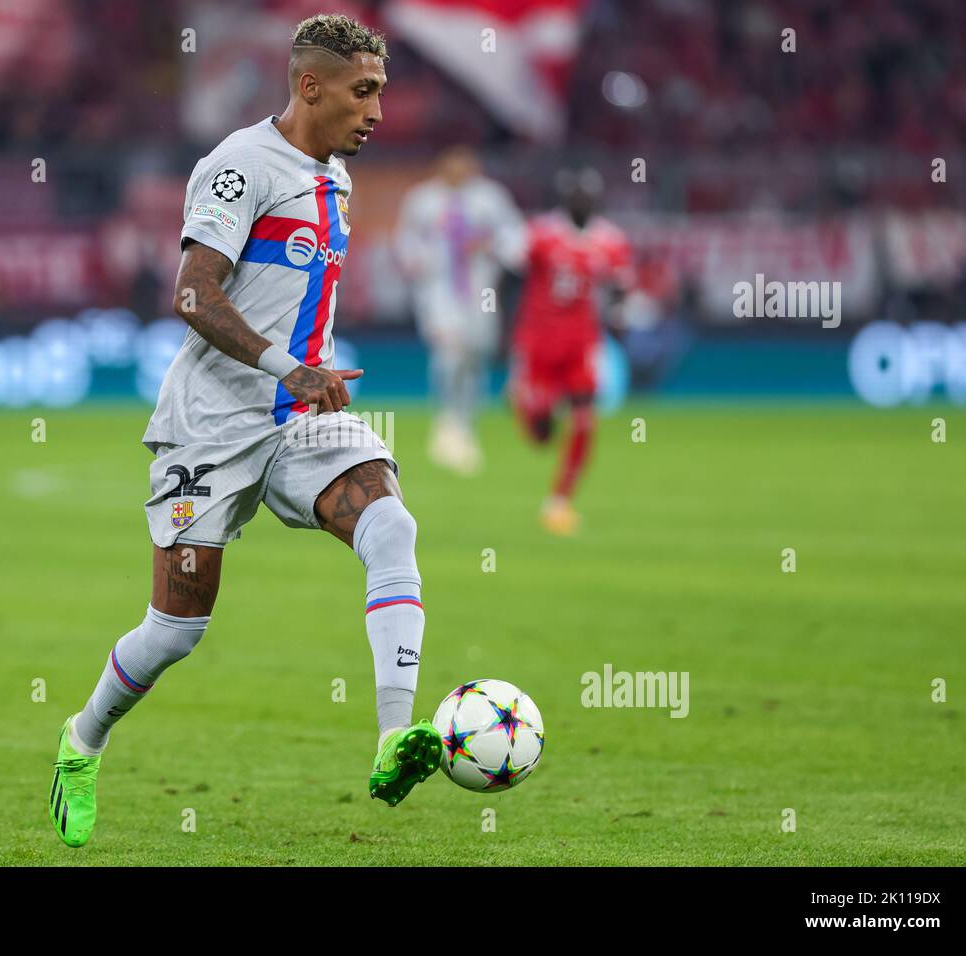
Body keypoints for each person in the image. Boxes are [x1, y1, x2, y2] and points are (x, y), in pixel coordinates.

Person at [47, 14, 441, 849]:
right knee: (178, 628)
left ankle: (393, 738)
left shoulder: (336, 179)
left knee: (390, 521)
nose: (376, 111)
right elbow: (192, 295)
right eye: (362, 92)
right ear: (310, 86)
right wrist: (284, 366)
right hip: (212, 426)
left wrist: (308, 373)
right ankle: (82, 742)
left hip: (302, 419)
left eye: (381, 92)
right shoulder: (237, 165)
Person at [508, 168, 632, 535]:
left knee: (583, 421)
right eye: (577, 196)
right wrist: (506, 326)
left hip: (581, 344)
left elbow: (621, 287)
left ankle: (559, 501)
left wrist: (618, 321)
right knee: (541, 430)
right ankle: (526, 403)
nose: (582, 203)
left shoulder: (610, 240)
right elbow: (512, 274)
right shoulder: (541, 234)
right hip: (540, 342)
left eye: (588, 197)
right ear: (566, 199)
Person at [396, 148, 523, 475]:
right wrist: (416, 260)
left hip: (482, 292)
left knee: (475, 356)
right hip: (439, 292)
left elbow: (516, 238)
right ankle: (446, 420)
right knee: (449, 351)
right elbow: (406, 239)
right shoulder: (423, 199)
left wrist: (491, 245)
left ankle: (464, 424)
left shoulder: (490, 198)